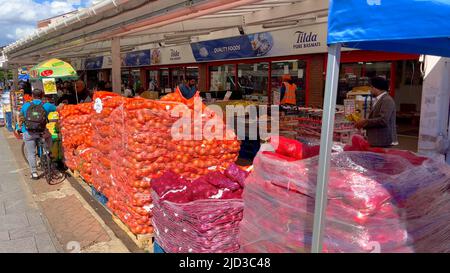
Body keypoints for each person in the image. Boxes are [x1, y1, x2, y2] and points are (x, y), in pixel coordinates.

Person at [19, 89, 57, 179]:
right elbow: (58, 108)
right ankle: (47, 152)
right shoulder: (47, 105)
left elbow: (21, 117)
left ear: (32, 95)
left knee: (31, 153)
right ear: (42, 95)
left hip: (29, 132)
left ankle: (34, 173)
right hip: (42, 132)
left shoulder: (25, 105)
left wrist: (19, 128)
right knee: (49, 136)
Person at [355, 76, 397, 147]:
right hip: (376, 140)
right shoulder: (379, 99)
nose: (370, 90)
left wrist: (365, 122)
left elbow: (383, 120)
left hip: (382, 141)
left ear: (376, 88)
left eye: (371, 87)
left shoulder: (387, 100)